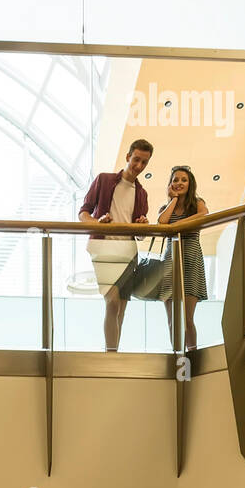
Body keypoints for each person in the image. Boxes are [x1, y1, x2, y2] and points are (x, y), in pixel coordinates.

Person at [79, 138, 153, 351]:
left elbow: (140, 237)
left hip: (128, 254)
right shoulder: (104, 180)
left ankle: (115, 354)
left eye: (144, 163)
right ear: (128, 156)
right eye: (136, 160)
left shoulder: (142, 193)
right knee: (111, 301)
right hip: (102, 249)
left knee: (120, 308)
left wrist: (142, 225)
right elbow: (83, 213)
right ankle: (110, 354)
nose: (138, 166)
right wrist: (99, 223)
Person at [158, 165, 208, 352]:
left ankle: (192, 357)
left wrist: (176, 225)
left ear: (190, 183)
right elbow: (162, 223)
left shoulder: (197, 203)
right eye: (175, 180)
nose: (179, 183)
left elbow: (204, 215)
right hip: (170, 261)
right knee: (172, 319)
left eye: (183, 180)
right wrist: (174, 200)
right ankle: (177, 359)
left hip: (191, 259)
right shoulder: (166, 207)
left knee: (187, 319)